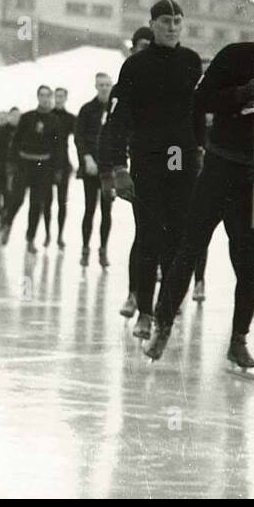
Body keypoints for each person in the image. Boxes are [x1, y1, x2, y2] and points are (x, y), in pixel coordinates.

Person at [145, 0, 254, 370]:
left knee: (250, 260)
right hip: (219, 169)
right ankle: (163, 324)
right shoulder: (236, 57)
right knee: (189, 248)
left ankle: (238, 339)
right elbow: (200, 100)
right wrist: (241, 94)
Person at [104, 0, 204, 340]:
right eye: (165, 21)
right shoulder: (135, 67)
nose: (172, 26)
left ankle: (164, 310)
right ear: (153, 23)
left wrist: (200, 148)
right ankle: (145, 312)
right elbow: (118, 121)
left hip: (178, 156)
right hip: (147, 156)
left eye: (177, 20)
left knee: (176, 237)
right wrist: (118, 167)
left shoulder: (191, 63)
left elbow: (198, 110)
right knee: (149, 234)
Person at [114, 26, 153, 316]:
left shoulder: (170, 78)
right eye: (141, 47)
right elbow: (113, 130)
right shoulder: (126, 82)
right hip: (140, 164)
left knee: (168, 235)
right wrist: (116, 169)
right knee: (144, 233)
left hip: (171, 167)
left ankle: (160, 300)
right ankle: (133, 294)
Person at [5, 87, 61, 252]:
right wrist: (11, 163)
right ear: (37, 97)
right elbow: (16, 141)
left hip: (43, 166)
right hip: (24, 163)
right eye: (42, 95)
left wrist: (57, 169)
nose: (44, 99)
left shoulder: (54, 120)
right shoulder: (27, 117)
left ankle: (30, 239)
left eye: (47, 96)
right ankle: (8, 223)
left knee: (36, 204)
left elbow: (58, 147)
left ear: (50, 98)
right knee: (17, 198)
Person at [74, 72, 115, 269]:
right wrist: (86, 158)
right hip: (91, 166)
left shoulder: (117, 109)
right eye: (101, 85)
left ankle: (103, 249)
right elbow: (78, 137)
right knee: (90, 208)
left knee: (107, 210)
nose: (105, 88)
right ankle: (85, 248)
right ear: (96, 86)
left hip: (109, 168)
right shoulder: (87, 109)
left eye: (108, 84)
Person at [49, 87, 75, 248]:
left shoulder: (71, 118)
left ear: (65, 98)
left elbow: (79, 139)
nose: (59, 99)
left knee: (62, 201)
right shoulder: (47, 116)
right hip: (47, 162)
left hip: (63, 163)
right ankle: (46, 233)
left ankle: (59, 235)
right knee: (46, 201)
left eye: (62, 96)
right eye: (56, 96)